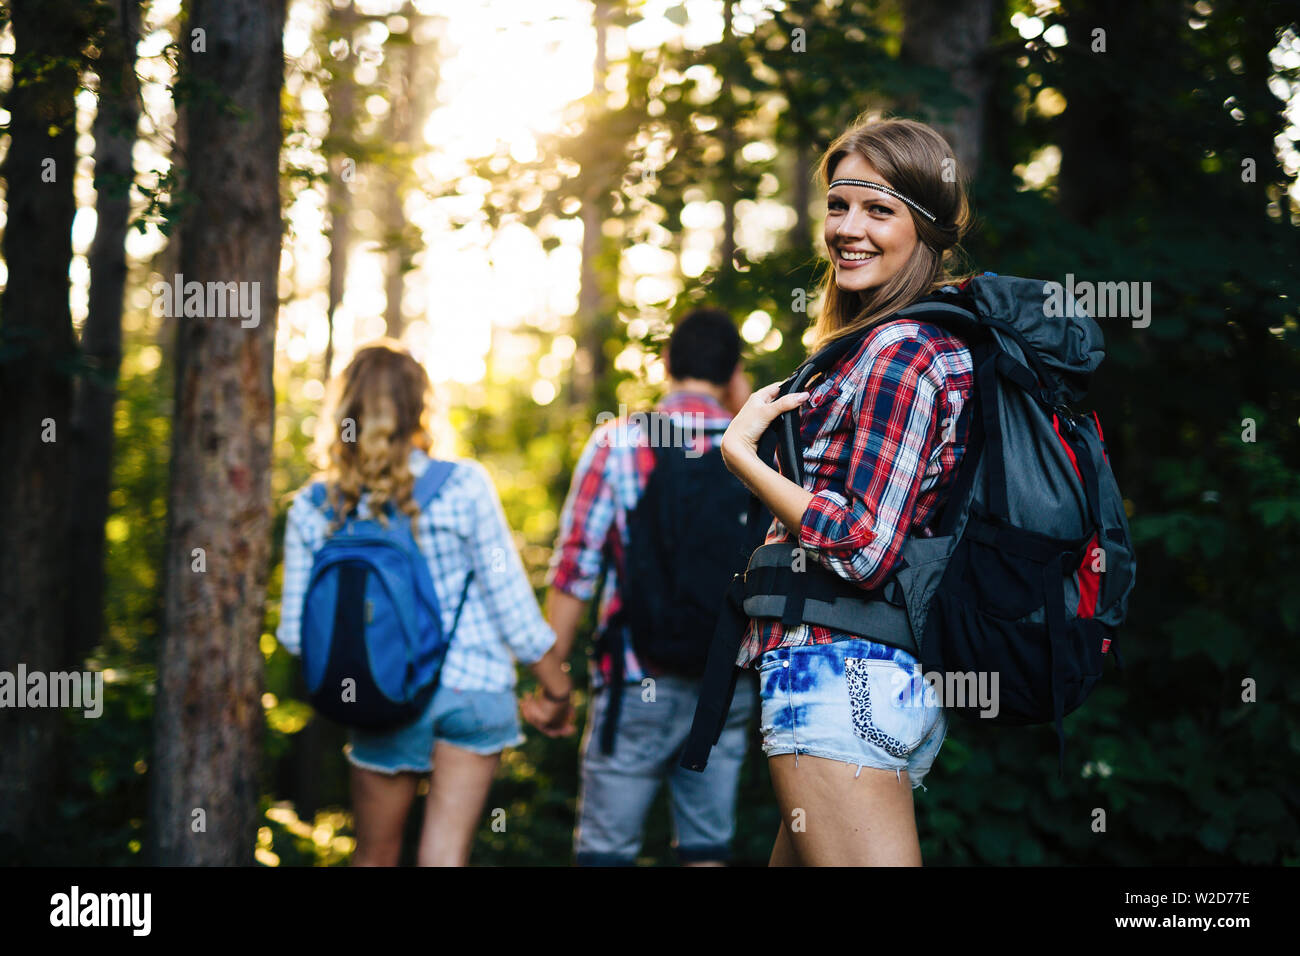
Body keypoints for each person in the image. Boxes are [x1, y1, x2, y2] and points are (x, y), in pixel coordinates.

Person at [719, 116, 977, 866]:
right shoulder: (899, 341)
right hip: (861, 676)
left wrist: (743, 455)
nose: (849, 227)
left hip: (840, 679)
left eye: (879, 208)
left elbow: (861, 545)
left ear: (925, 228)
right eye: (839, 204)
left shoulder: (901, 351)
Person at [276, 341, 574, 866]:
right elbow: (512, 606)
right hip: (473, 688)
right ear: (420, 407)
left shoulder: (313, 506)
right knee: (443, 857)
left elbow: (298, 636)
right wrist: (556, 688)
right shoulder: (462, 486)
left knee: (374, 858)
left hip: (380, 692)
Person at [540, 308, 756, 867]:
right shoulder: (757, 452)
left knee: (607, 852)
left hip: (634, 679)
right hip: (723, 685)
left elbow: (575, 570)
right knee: (707, 849)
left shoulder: (619, 442)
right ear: (735, 371)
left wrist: (552, 679)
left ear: (666, 363)